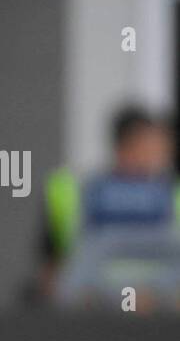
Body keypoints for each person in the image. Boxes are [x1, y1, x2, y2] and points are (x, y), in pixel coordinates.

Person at [39, 108, 178, 300]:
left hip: (159, 306)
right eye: (155, 147)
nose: (163, 156)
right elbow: (53, 263)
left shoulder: (172, 192)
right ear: (126, 146)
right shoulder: (77, 191)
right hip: (96, 306)